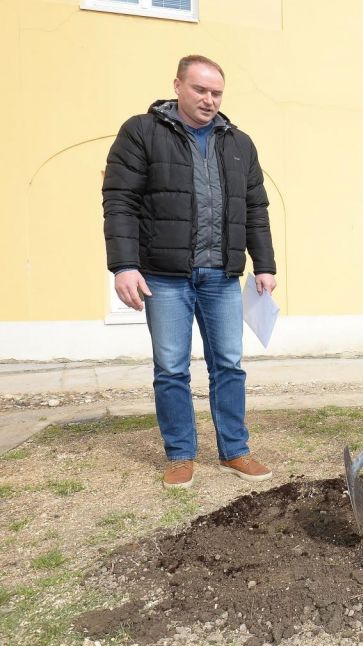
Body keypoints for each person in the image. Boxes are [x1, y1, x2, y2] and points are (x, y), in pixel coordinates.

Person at [103, 55, 277, 489]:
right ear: (178, 86)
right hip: (164, 277)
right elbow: (120, 201)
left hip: (221, 276)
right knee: (171, 368)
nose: (209, 99)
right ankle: (180, 454)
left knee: (229, 365)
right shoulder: (141, 132)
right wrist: (124, 265)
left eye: (216, 92)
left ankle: (235, 450)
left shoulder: (239, 143)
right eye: (200, 89)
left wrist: (265, 264)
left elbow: (255, 208)